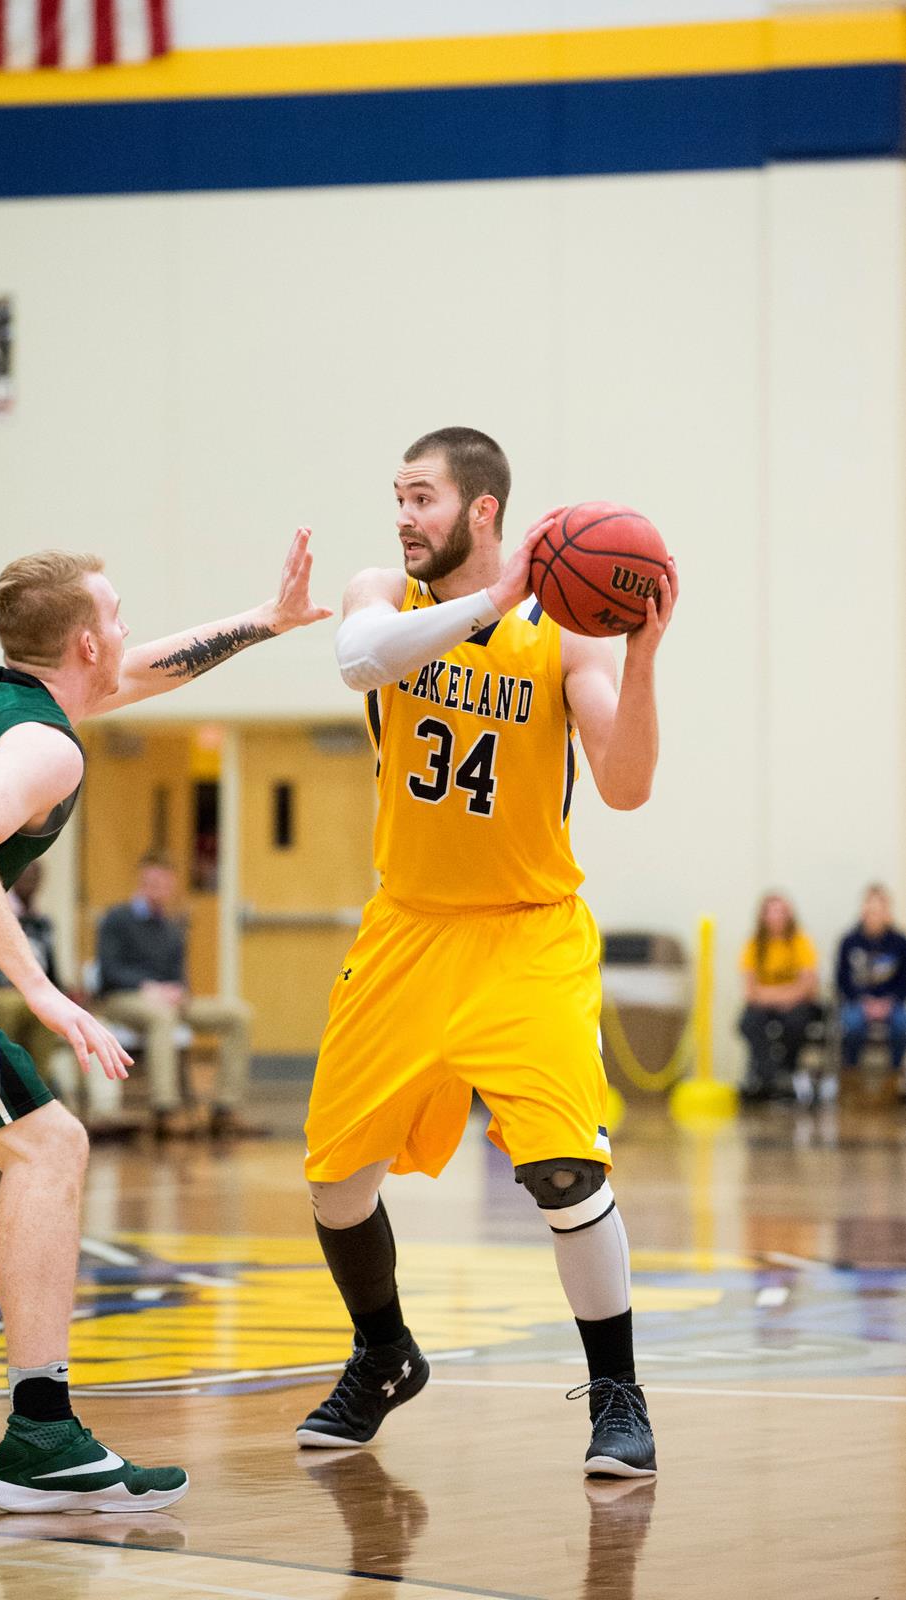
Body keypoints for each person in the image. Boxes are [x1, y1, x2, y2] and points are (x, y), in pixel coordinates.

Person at [0, 532, 330, 1511]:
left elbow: (143, 669)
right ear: (84, 643)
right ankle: (42, 1433)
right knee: (50, 1145)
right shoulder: (46, 744)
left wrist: (268, 621)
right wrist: (45, 990)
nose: (127, 629)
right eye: (115, 613)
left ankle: (44, 1433)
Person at [297, 427, 677, 1477]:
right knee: (335, 1183)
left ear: (482, 508)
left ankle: (619, 1397)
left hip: (526, 930)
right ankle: (383, 1355)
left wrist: (640, 659)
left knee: (564, 1168)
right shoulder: (386, 592)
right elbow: (357, 658)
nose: (404, 516)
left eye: (422, 497)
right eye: (399, 496)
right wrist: (496, 597)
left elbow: (628, 782)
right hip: (408, 926)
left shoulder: (565, 635)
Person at [90, 851, 264, 1139]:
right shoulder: (116, 919)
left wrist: (180, 992)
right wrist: (146, 987)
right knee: (162, 1017)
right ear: (142, 882)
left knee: (238, 1015)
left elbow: (180, 977)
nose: (159, 889)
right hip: (122, 999)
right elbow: (108, 970)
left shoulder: (172, 928)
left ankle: (225, 1107)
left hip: (168, 1002)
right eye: (152, 882)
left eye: (165, 884)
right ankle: (165, 1109)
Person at [0, 860, 65, 1089]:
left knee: (47, 1010)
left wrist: (63, 993)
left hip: (26, 991)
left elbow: (51, 971)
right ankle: (3, 1082)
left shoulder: (42, 922)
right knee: (13, 1006)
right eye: (25, 876)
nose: (30, 883)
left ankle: (38, 1086)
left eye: (35, 878)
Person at [737, 893, 821, 1102]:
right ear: (763, 916)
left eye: (781, 912)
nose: (777, 917)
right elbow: (750, 991)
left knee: (796, 1022)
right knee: (749, 1022)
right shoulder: (754, 945)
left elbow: (808, 986)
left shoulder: (801, 942)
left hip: (795, 1006)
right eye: (772, 912)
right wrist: (784, 995)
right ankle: (766, 1076)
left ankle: (788, 1071)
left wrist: (775, 995)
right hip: (765, 1007)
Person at [835, 884, 906, 1087]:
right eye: (870, 909)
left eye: (879, 910)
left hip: (892, 1003)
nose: (874, 914)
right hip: (857, 1002)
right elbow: (842, 980)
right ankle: (851, 1072)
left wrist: (888, 1002)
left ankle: (894, 1075)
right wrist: (862, 1001)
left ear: (887, 912)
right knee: (853, 1025)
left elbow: (903, 981)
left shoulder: (900, 942)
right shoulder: (849, 941)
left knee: (902, 1025)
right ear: (863, 910)